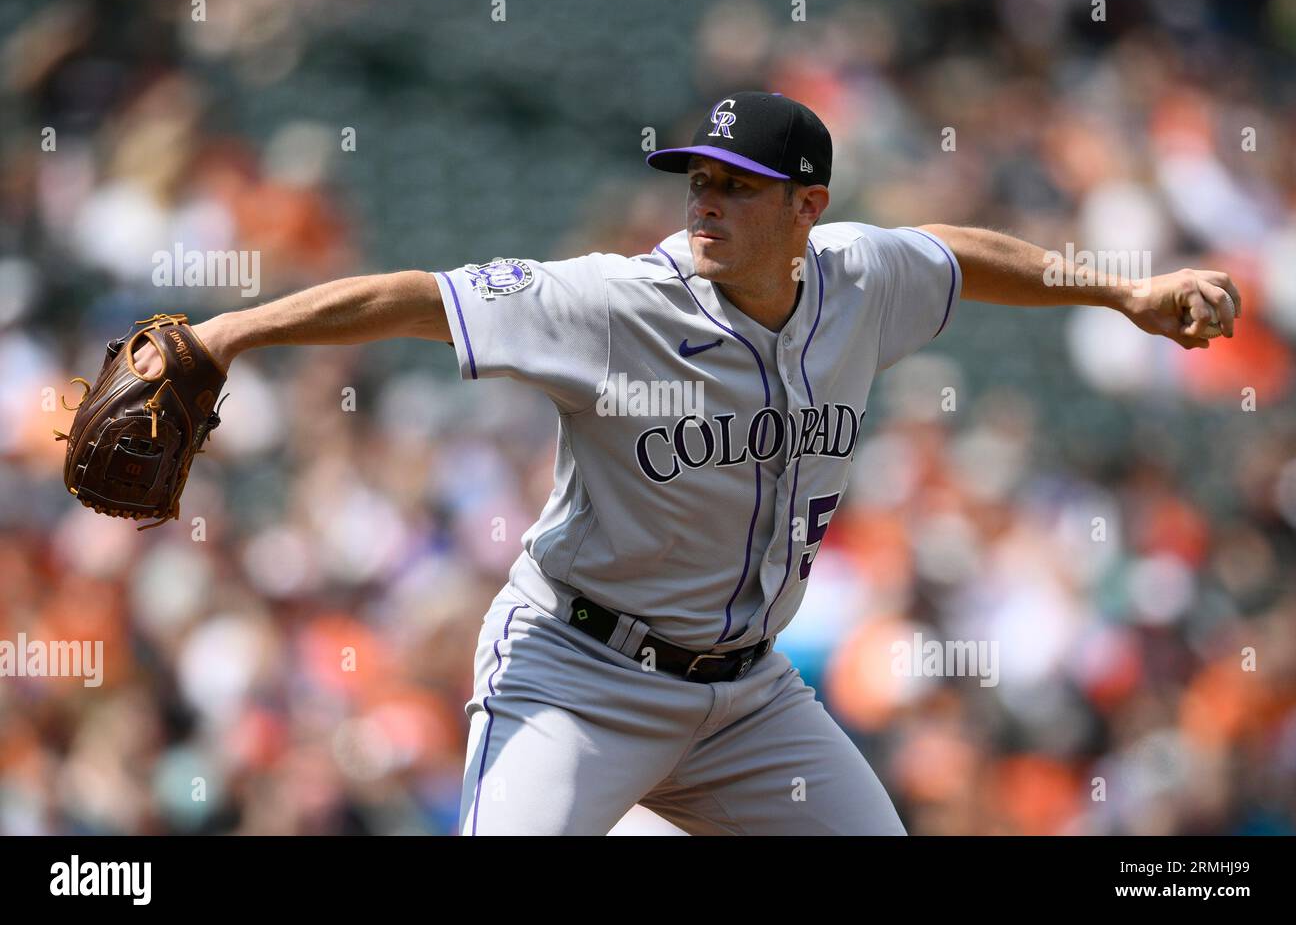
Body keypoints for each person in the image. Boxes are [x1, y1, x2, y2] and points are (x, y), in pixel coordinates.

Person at [132, 91, 1239, 834]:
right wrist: (231, 336)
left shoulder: (859, 275)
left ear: (808, 208)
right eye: (696, 178)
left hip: (751, 695)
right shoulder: (619, 302)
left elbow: (961, 257)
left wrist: (1120, 290)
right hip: (579, 675)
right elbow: (417, 296)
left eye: (738, 185)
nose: (705, 199)